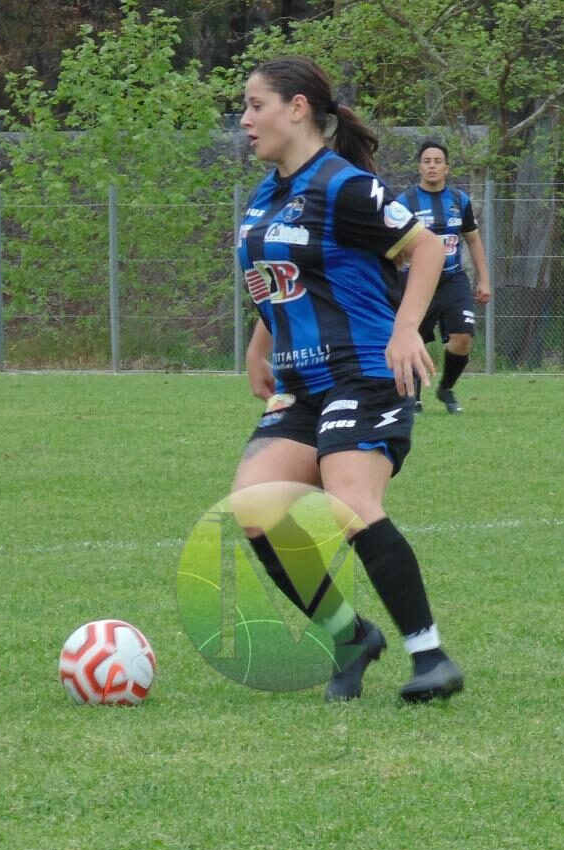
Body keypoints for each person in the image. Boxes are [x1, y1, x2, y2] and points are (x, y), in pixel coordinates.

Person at [233, 56, 463, 703]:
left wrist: (406, 328)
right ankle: (350, 636)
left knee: (351, 501)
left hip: (364, 373)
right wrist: (259, 346)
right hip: (302, 384)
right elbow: (281, 279)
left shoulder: (345, 185)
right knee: (255, 508)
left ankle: (431, 657)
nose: (245, 119)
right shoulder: (264, 196)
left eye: (255, 105)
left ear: (298, 108)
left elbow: (425, 248)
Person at [398, 140, 492, 414]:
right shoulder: (404, 202)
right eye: (427, 161)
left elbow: (473, 240)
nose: (432, 166)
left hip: (453, 279)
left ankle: (446, 388)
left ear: (447, 168)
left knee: (463, 337)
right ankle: (412, 398)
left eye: (437, 161)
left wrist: (484, 280)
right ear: (419, 167)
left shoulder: (459, 200)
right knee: (412, 337)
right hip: (416, 281)